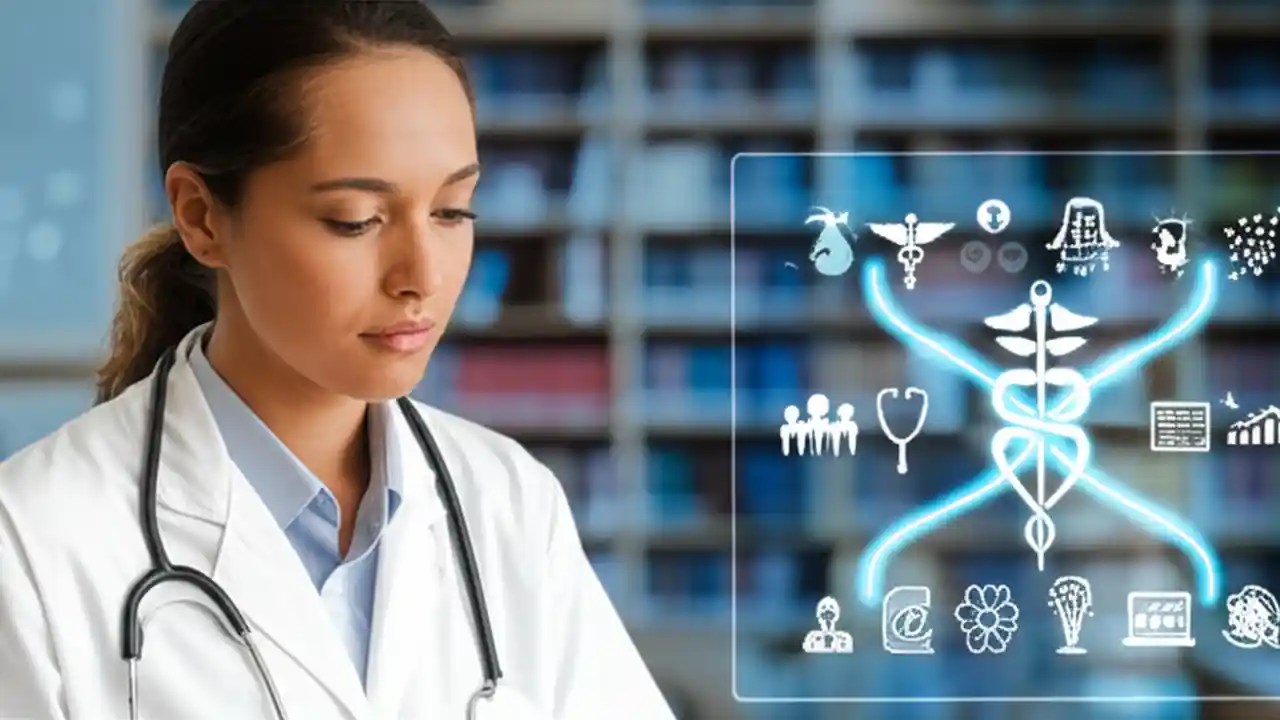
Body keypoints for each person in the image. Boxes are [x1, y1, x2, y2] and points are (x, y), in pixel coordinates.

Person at [0, 2, 674, 718]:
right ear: (201, 217)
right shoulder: (35, 541)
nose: (421, 274)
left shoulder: (508, 504)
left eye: (452, 211)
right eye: (356, 220)